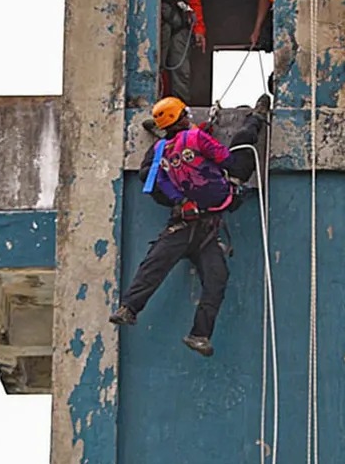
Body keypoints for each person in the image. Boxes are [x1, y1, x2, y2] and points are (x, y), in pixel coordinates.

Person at [110, 94, 270, 357]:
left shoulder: (160, 149)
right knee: (212, 280)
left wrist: (178, 197)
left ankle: (140, 311)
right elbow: (225, 160)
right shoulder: (195, 138)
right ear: (182, 117)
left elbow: (150, 177)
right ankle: (257, 118)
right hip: (201, 220)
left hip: (194, 225)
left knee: (158, 265)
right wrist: (201, 145)